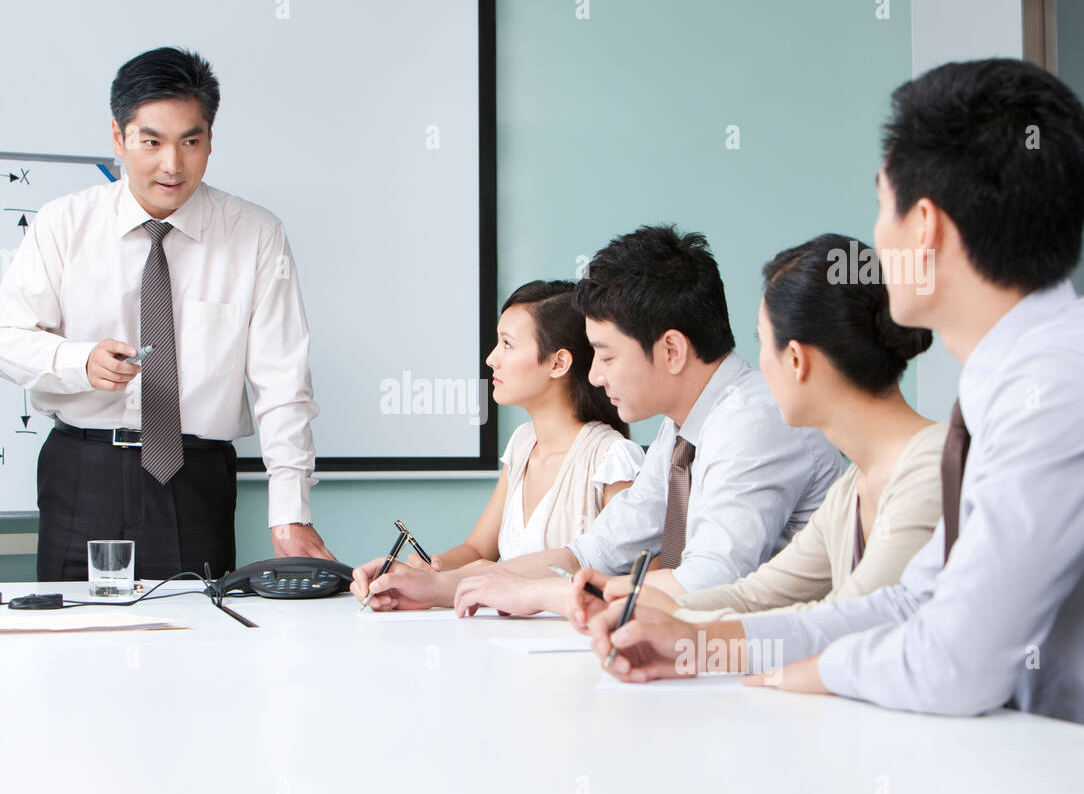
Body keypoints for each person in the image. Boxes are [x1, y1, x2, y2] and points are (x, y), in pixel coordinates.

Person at [582, 59, 1084, 724]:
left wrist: (801, 673)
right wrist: (707, 646)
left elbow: (952, 664)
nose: (875, 236)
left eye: (882, 204)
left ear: (925, 225)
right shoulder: (1013, 380)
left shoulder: (1050, 389)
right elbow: (911, 605)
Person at [351, 225, 844, 616]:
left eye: (606, 355)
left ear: (671, 349)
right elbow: (594, 551)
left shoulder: (751, 421)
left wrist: (547, 596)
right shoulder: (682, 428)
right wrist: (439, 586)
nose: (595, 374)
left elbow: (710, 580)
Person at [0, 47, 332, 579]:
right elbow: (2, 342)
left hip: (195, 479)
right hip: (83, 469)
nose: (173, 164)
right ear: (119, 138)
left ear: (210, 140)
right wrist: (78, 361)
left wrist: (290, 512)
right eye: (152, 141)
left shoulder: (256, 235)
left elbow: (283, 383)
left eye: (191, 141)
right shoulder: (62, 224)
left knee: (195, 645)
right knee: (71, 645)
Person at [573, 234, 944, 625]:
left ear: (796, 360)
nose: (755, 369)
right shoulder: (854, 486)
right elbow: (752, 596)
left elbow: (845, 622)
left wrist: (697, 642)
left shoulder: (928, 466)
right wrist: (623, 599)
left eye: (762, 344)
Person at [423, 280, 644, 571]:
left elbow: (637, 581)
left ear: (557, 363)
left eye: (507, 344)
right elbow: (477, 550)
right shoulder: (522, 444)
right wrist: (427, 568)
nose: (491, 359)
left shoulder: (611, 458)